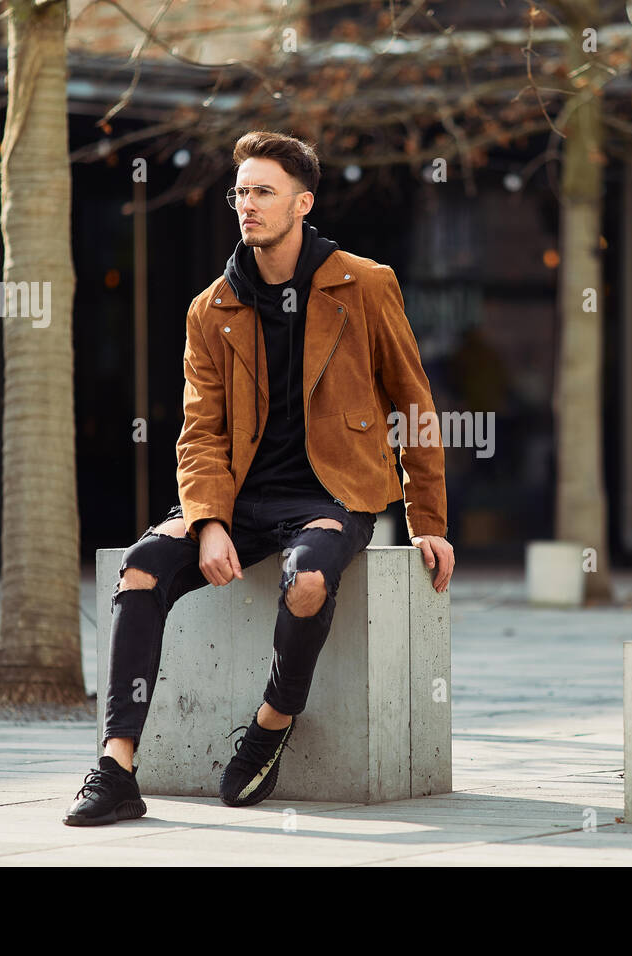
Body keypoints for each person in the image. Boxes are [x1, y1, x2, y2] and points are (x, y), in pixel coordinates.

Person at [65, 132, 455, 826]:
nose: (247, 204)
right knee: (140, 571)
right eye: (240, 192)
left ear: (302, 203)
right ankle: (116, 766)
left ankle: (272, 725)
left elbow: (414, 403)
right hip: (238, 498)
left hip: (331, 496)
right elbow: (200, 431)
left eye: (263, 192)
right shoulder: (210, 308)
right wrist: (210, 521)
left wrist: (428, 520)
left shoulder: (364, 284)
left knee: (307, 581)